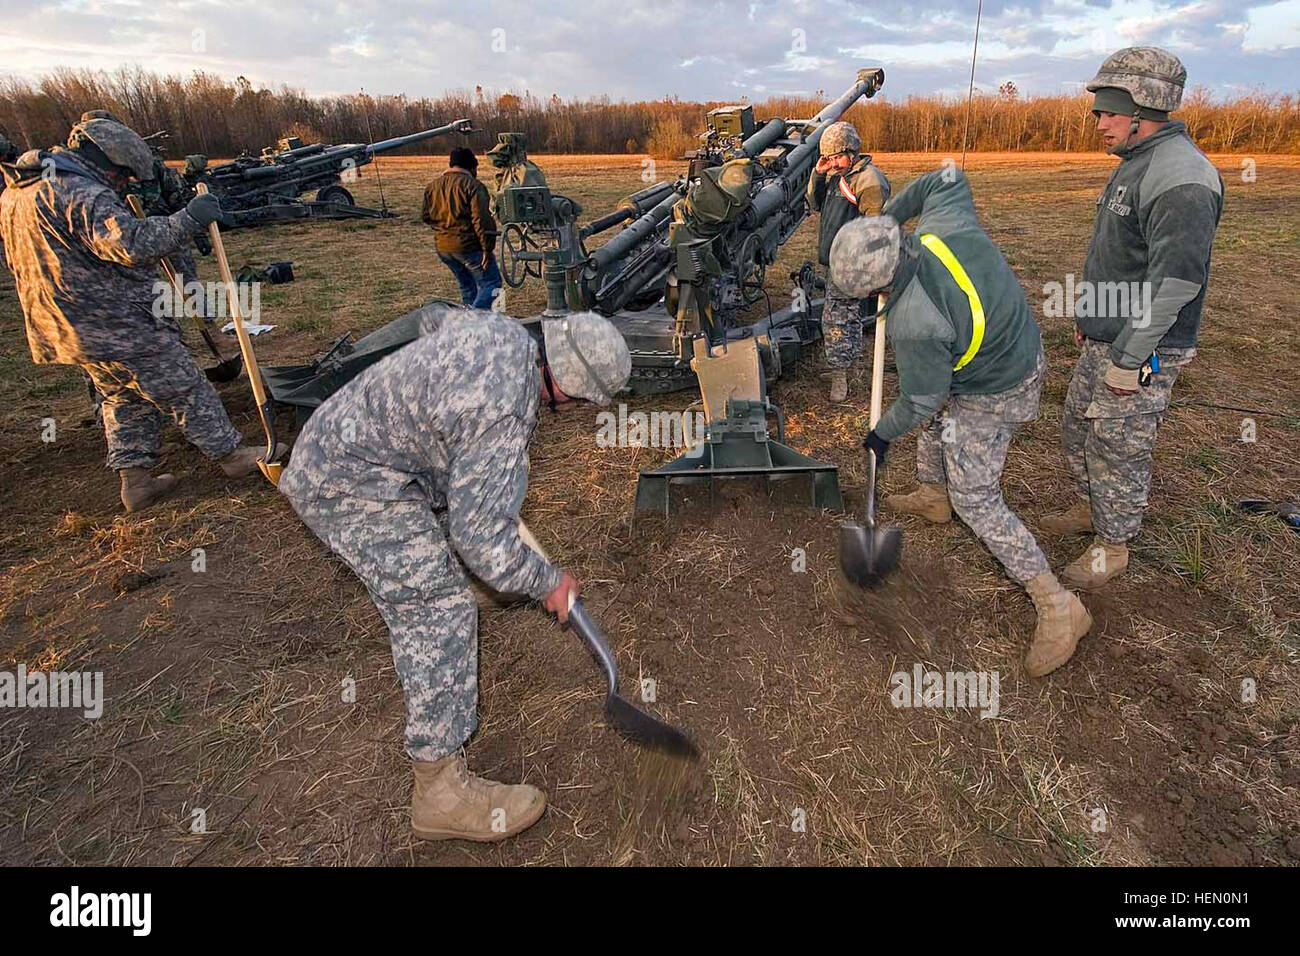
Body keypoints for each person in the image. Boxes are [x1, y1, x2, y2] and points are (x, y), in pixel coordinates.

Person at [278, 305, 632, 842]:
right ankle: (440, 793)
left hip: (348, 440)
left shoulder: (498, 329)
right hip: (350, 482)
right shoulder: (504, 413)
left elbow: (431, 323)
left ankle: (465, 580)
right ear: (567, 386)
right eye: (580, 402)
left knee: (460, 541)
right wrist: (547, 581)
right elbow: (481, 537)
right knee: (438, 609)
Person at [831, 170, 1092, 678]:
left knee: (976, 495)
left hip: (1000, 387)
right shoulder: (945, 225)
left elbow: (923, 398)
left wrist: (881, 434)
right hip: (1016, 341)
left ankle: (1059, 606)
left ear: (880, 285)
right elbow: (946, 176)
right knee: (935, 422)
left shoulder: (914, 324)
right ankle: (934, 494)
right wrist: (887, 216)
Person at [0, 117, 262, 512]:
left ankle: (136, 482)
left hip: (64, 326)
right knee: (184, 388)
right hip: (115, 321)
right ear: (107, 162)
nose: (124, 185)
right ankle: (233, 457)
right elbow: (130, 244)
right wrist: (190, 218)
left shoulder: (17, 193)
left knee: (123, 396)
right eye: (122, 176)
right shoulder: (79, 192)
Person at [1041, 47, 1224, 590]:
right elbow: (1118, 252)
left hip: (1144, 346)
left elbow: (1174, 283)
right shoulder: (1136, 162)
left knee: (1119, 445)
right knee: (1079, 431)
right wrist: (1090, 316)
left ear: (1143, 111)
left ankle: (1113, 544)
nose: (1098, 123)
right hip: (1109, 334)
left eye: (1107, 112)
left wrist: (1130, 354)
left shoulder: (1183, 177)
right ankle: (1092, 508)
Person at [806, 121, 891, 401]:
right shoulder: (837, 177)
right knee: (848, 314)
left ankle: (839, 376)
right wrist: (818, 175)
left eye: (837, 157)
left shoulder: (868, 181)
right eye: (828, 159)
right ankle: (847, 366)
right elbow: (815, 204)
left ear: (852, 151)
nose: (833, 163)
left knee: (836, 318)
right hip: (836, 260)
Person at [421, 147, 501, 309]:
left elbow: (426, 216)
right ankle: (471, 321)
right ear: (471, 167)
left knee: (467, 285)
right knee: (492, 284)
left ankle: (467, 322)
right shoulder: (473, 185)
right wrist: (487, 249)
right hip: (469, 247)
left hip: (443, 249)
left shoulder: (432, 186)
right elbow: (481, 220)